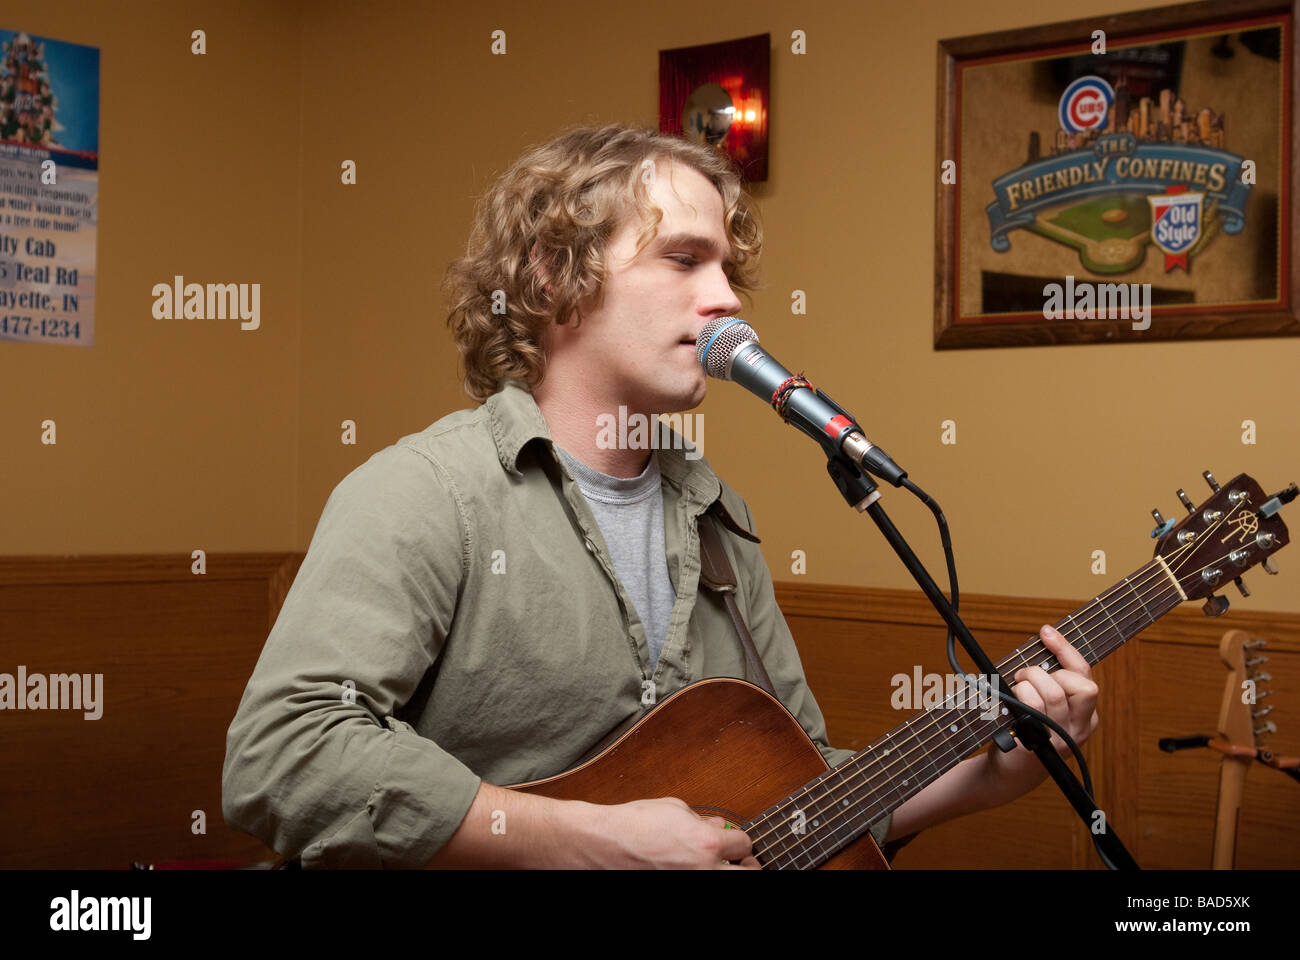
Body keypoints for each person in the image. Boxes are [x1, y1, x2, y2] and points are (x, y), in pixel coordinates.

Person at [222, 122, 1100, 869]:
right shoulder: (425, 494)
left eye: (727, 270)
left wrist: (996, 774)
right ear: (553, 274)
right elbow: (284, 755)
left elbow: (798, 791)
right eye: (684, 259)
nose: (725, 299)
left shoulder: (719, 519)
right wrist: (585, 838)